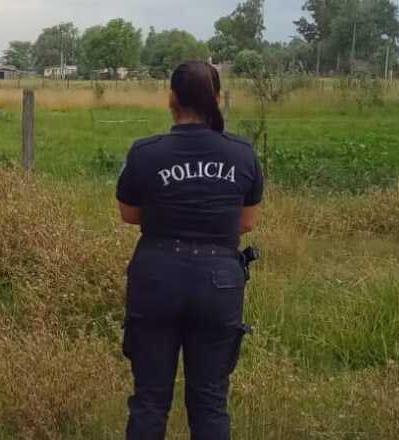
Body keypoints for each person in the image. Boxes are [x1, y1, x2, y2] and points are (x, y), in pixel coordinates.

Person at [117, 61, 263, 440]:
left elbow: (128, 214)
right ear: (216, 99)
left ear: (171, 98)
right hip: (219, 283)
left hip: (156, 276)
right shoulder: (242, 153)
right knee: (210, 400)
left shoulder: (145, 152)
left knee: (149, 401)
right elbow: (247, 222)